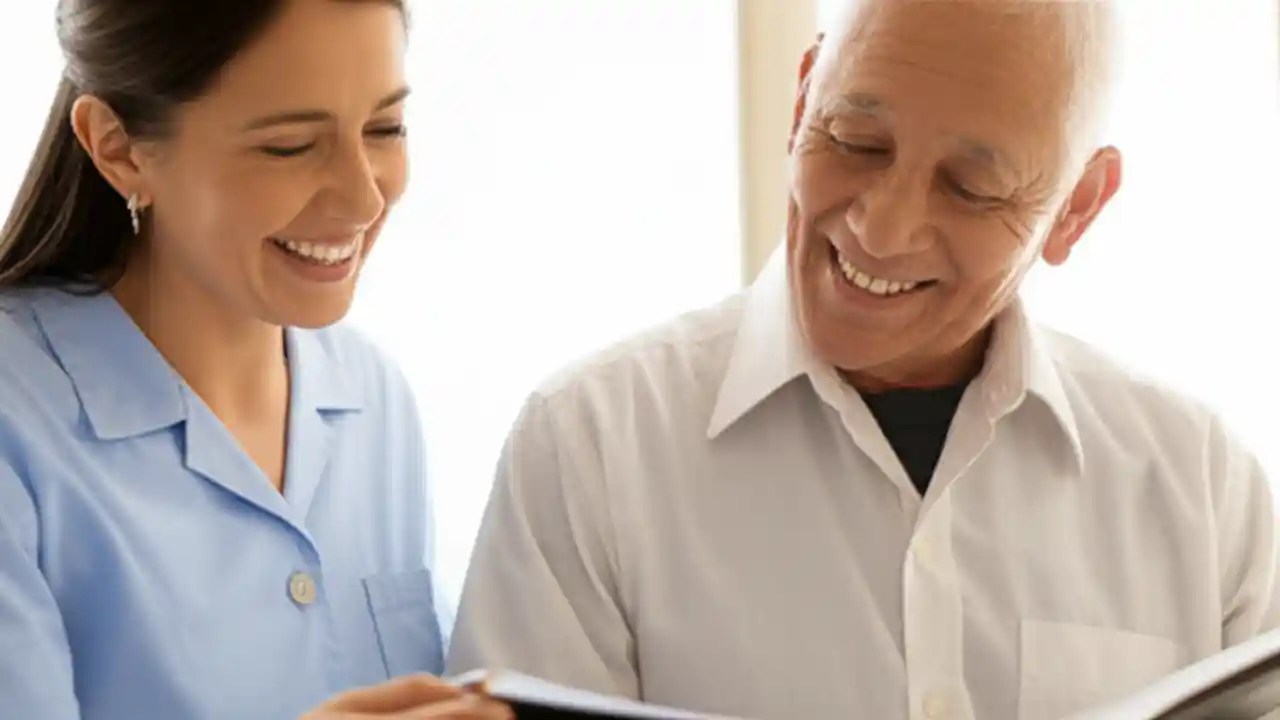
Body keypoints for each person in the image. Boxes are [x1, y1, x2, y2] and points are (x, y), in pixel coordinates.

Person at [447, 1, 1280, 718]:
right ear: (804, 97)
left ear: (1077, 209)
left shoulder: (1202, 487)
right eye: (855, 140)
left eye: (969, 188)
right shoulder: (589, 449)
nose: (879, 230)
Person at [0, 1, 508, 718]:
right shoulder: (17, 425)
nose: (364, 197)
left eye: (385, 129)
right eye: (291, 146)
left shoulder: (372, 398)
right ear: (117, 147)